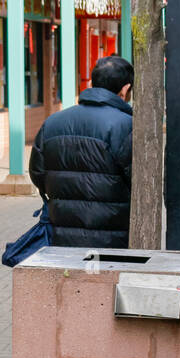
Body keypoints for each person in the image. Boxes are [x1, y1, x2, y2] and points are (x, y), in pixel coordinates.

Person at [29, 55, 134, 250]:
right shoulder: (126, 125)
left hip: (61, 233)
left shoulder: (53, 122)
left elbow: (37, 173)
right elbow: (136, 179)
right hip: (112, 235)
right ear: (125, 89)